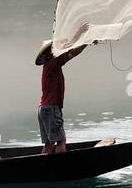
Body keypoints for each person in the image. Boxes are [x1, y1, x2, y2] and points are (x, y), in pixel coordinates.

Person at [35, 23, 97, 155]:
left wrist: (81, 35)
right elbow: (72, 52)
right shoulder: (53, 62)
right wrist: (86, 40)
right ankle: (60, 170)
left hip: (43, 108)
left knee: (49, 144)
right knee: (61, 142)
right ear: (51, 52)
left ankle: (41, 170)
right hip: (51, 108)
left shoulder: (49, 64)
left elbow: (68, 47)